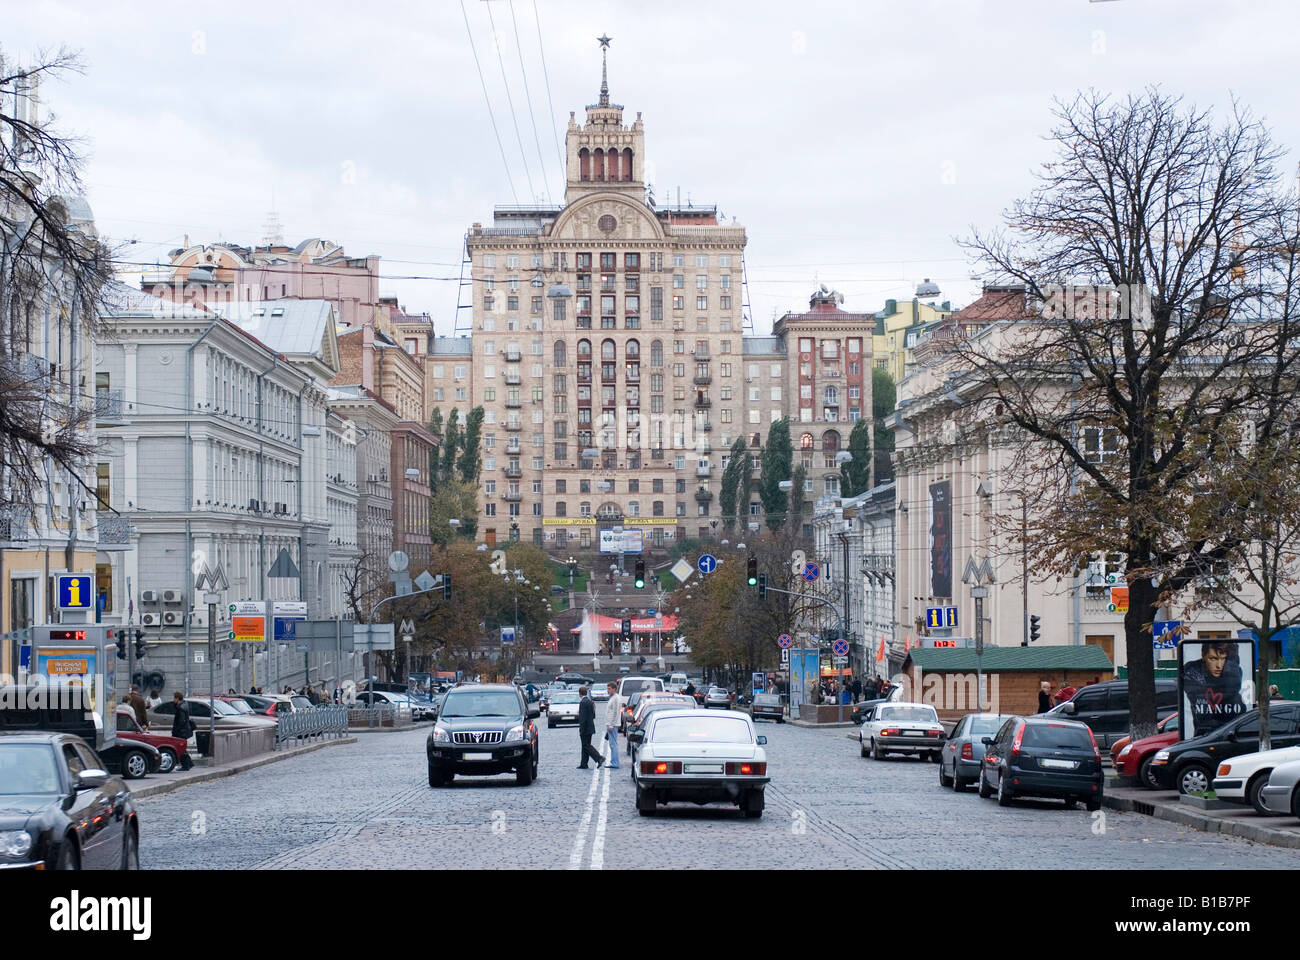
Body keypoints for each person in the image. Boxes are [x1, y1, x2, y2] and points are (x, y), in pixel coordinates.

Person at [1183, 641, 1246, 738]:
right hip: (1205, 736)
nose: (1219, 665)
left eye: (1224, 659)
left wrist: (1232, 661)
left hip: (1232, 735)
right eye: (1213, 659)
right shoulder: (1192, 671)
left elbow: (1233, 691)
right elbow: (1201, 699)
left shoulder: (1232, 670)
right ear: (1203, 656)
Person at [576, 686, 605, 769]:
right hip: (590, 727)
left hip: (585, 728)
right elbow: (593, 716)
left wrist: (581, 728)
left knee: (586, 745)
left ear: (580, 694)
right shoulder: (590, 702)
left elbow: (582, 718)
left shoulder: (583, 702)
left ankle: (599, 758)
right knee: (585, 745)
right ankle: (584, 764)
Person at [604, 682, 622, 769]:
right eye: (607, 689)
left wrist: (611, 725)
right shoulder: (613, 698)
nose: (608, 690)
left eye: (609, 689)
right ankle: (614, 761)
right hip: (610, 723)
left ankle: (615, 762)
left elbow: (615, 713)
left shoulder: (616, 698)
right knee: (612, 744)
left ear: (614, 689)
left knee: (613, 744)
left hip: (612, 724)